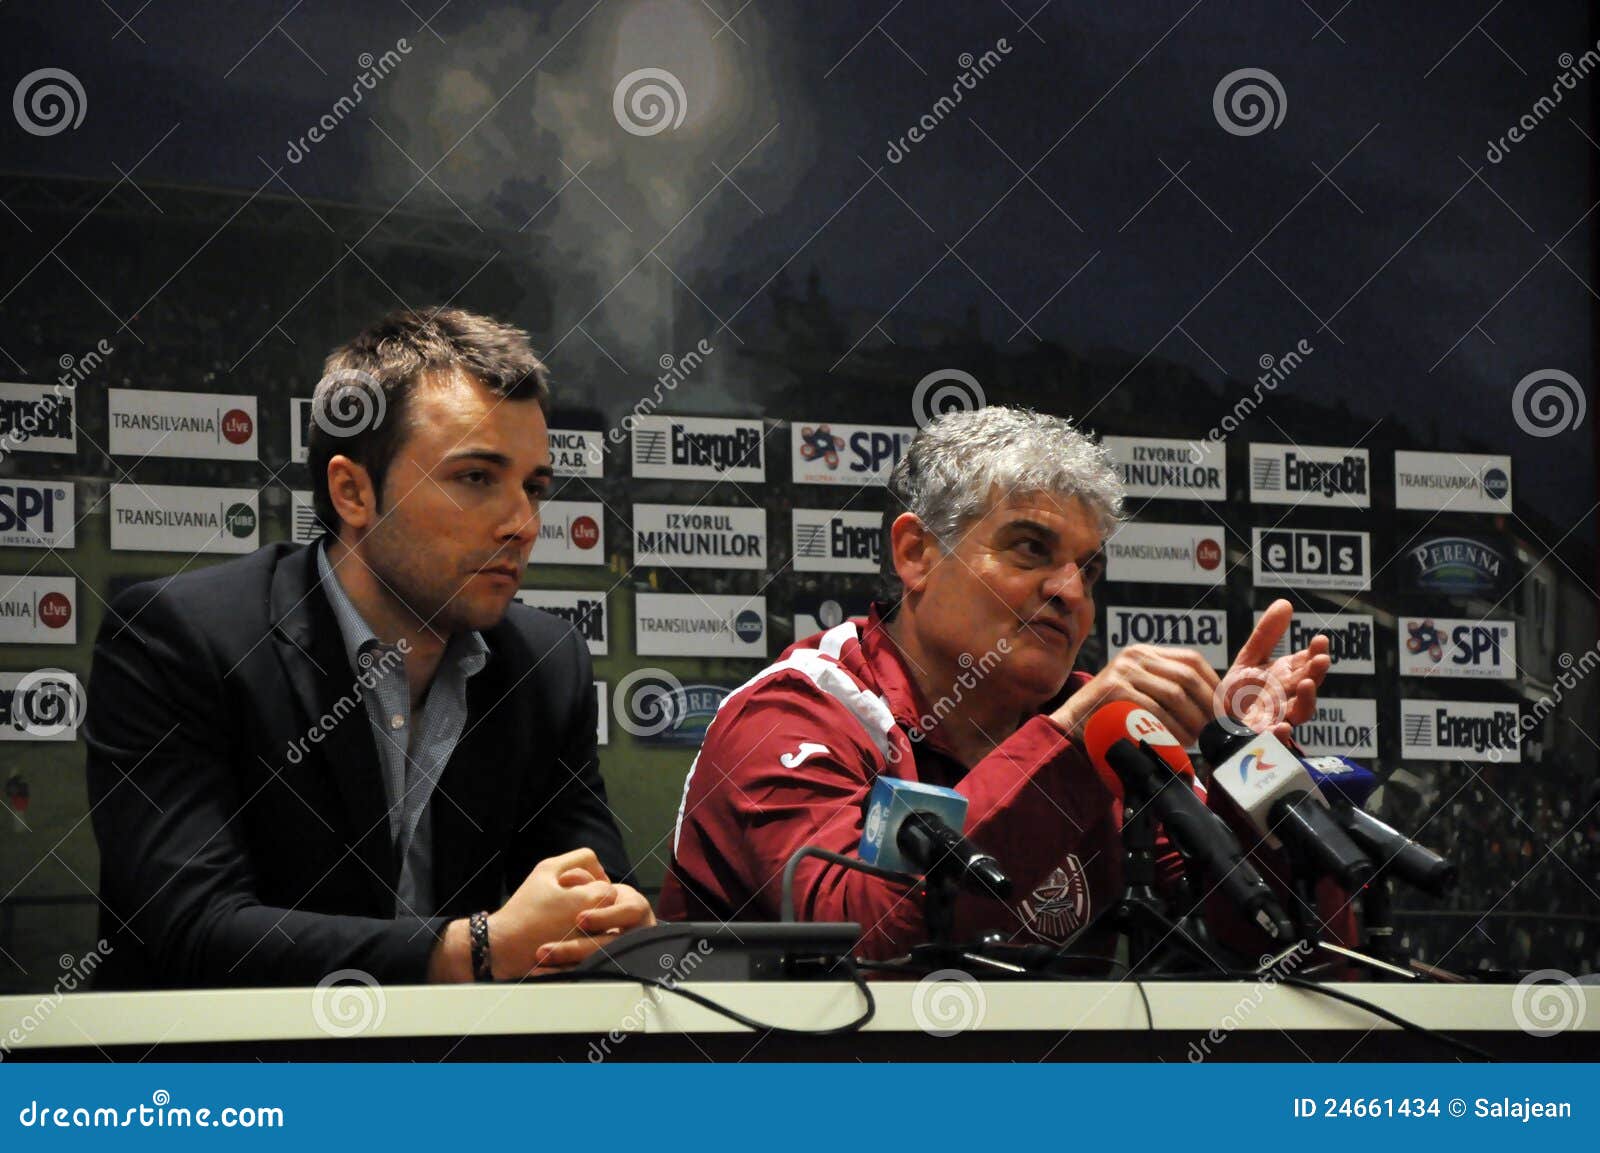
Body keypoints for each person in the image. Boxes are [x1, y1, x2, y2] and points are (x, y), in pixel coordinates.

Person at [84, 307, 652, 988]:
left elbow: (594, 905)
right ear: (353, 491)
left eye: (534, 488)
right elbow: (189, 931)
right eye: (476, 478)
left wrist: (607, 920)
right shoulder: (178, 639)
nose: (522, 524)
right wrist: (470, 949)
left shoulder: (545, 662)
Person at [660, 405, 1335, 960]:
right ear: (916, 553)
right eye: (1030, 548)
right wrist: (1067, 742)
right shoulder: (794, 711)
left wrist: (1248, 769)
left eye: (1089, 570)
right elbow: (863, 950)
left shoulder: (1103, 731)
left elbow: (1294, 948)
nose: (1071, 591)